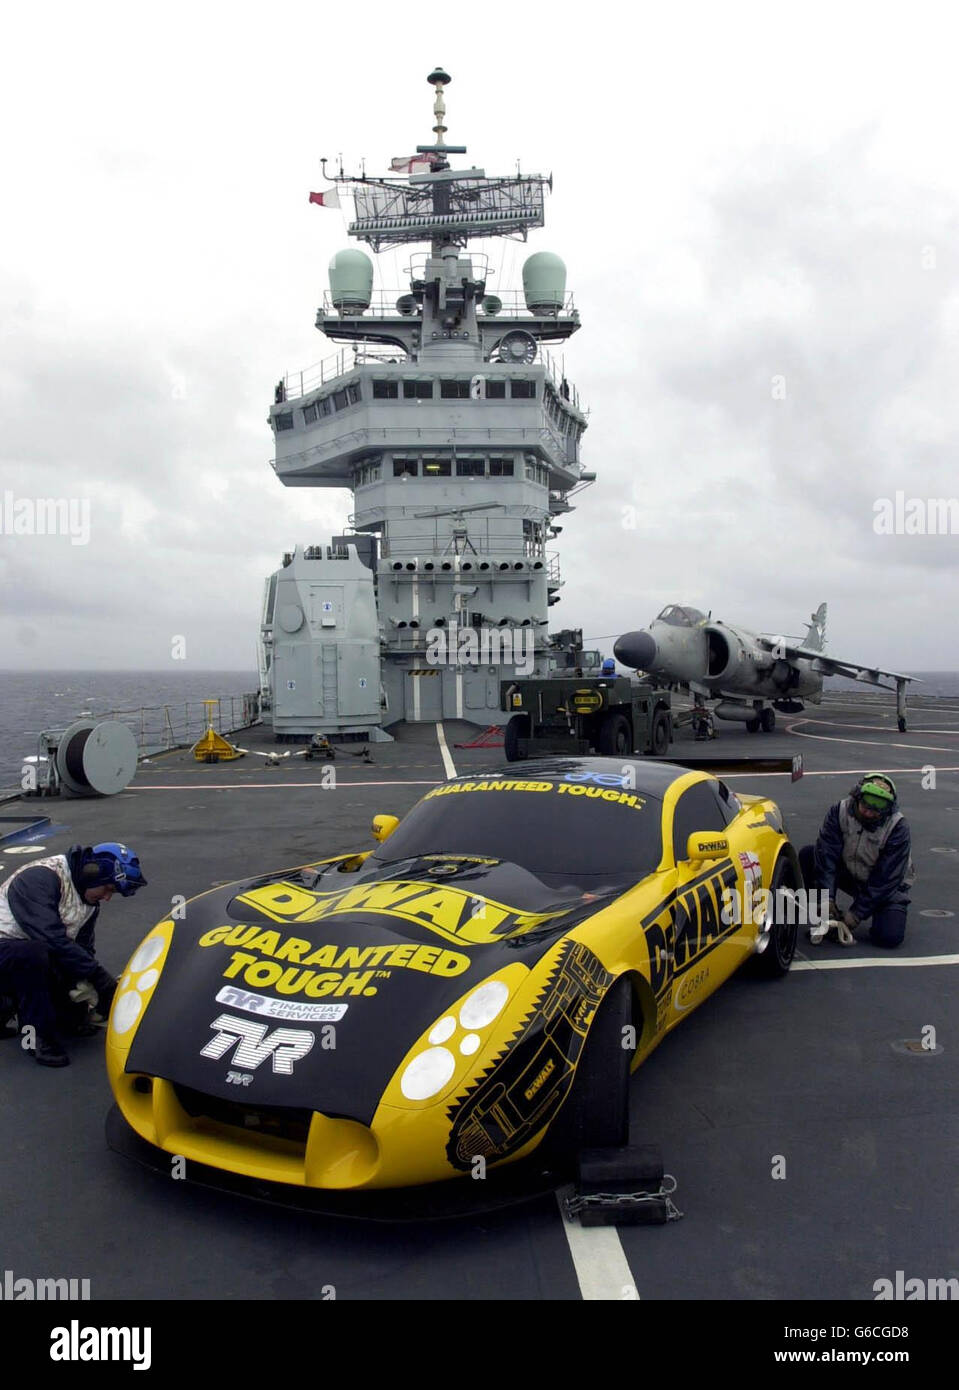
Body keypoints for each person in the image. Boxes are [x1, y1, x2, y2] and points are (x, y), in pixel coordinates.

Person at [0, 842, 147, 1066]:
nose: (107, 897)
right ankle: (36, 1037)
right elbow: (49, 936)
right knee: (32, 954)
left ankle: (58, 1017)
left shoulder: (89, 902)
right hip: (12, 949)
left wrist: (90, 994)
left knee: (71, 1001)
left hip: (30, 951)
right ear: (93, 875)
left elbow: (82, 950)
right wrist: (101, 979)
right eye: (108, 889)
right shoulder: (40, 878)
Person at [799, 775, 914, 948]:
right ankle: (825, 915)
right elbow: (827, 856)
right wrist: (826, 898)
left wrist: (854, 916)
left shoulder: (898, 827)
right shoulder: (839, 811)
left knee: (889, 937)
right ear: (857, 796)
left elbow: (885, 879)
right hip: (850, 872)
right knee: (809, 855)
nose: (869, 811)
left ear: (888, 806)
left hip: (888, 887)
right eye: (866, 804)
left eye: (878, 807)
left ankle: (867, 915)